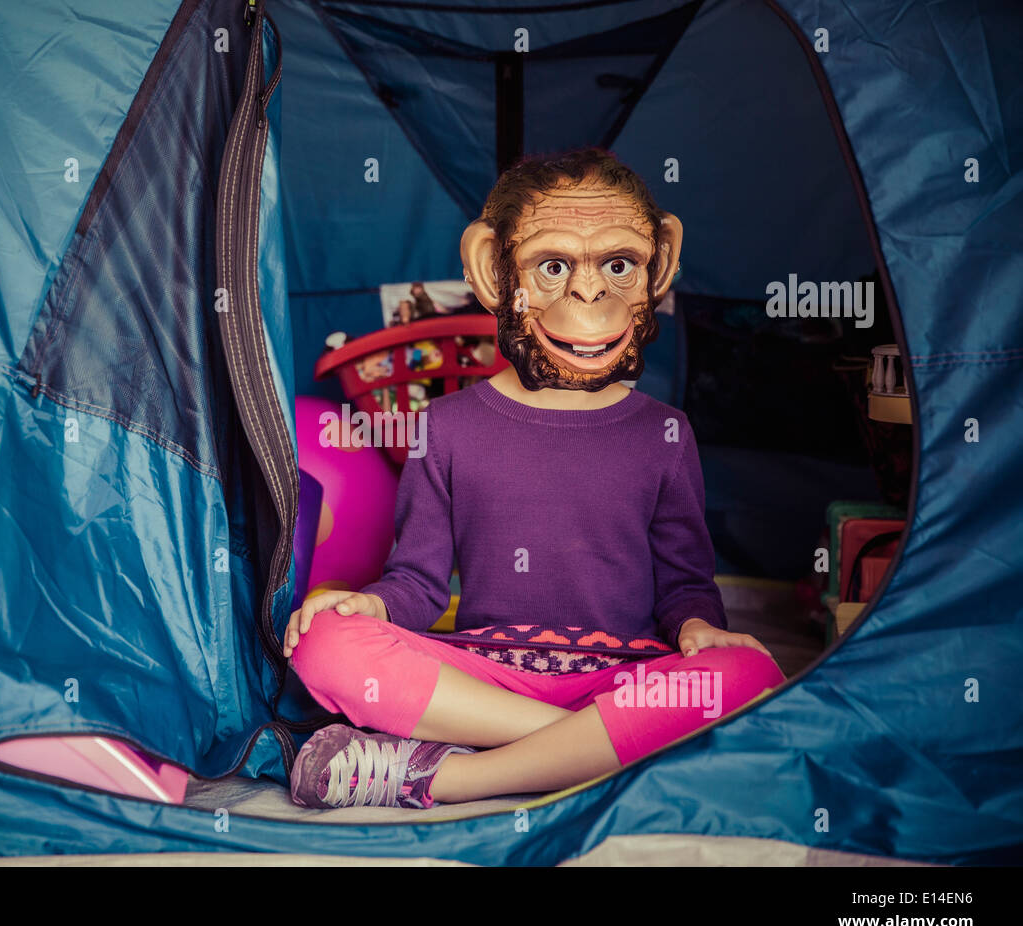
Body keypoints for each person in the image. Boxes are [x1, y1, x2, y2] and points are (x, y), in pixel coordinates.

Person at [284, 147, 785, 809]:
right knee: (323, 643)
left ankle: (454, 775)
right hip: (487, 681)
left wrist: (697, 629)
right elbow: (418, 582)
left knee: (750, 672)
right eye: (552, 265)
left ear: (658, 264)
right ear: (493, 272)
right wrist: (367, 605)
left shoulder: (666, 434)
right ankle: (599, 752)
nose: (588, 291)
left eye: (618, 263)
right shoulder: (448, 425)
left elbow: (686, 587)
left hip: (623, 679)